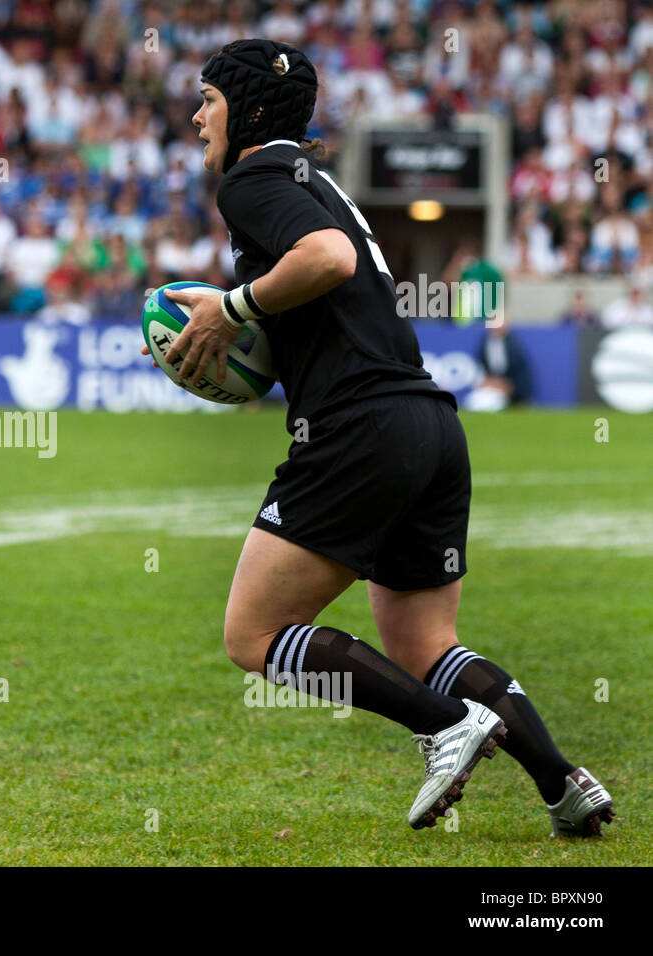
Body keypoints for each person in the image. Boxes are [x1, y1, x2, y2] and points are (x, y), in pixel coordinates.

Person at [150, 39, 614, 836]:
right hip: (427, 422)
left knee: (252, 634)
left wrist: (232, 309)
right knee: (427, 642)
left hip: (357, 426)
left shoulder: (254, 176)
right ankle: (564, 784)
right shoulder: (316, 178)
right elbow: (333, 264)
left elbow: (325, 260)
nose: (196, 117)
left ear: (250, 110)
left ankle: (443, 726)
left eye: (209, 101)